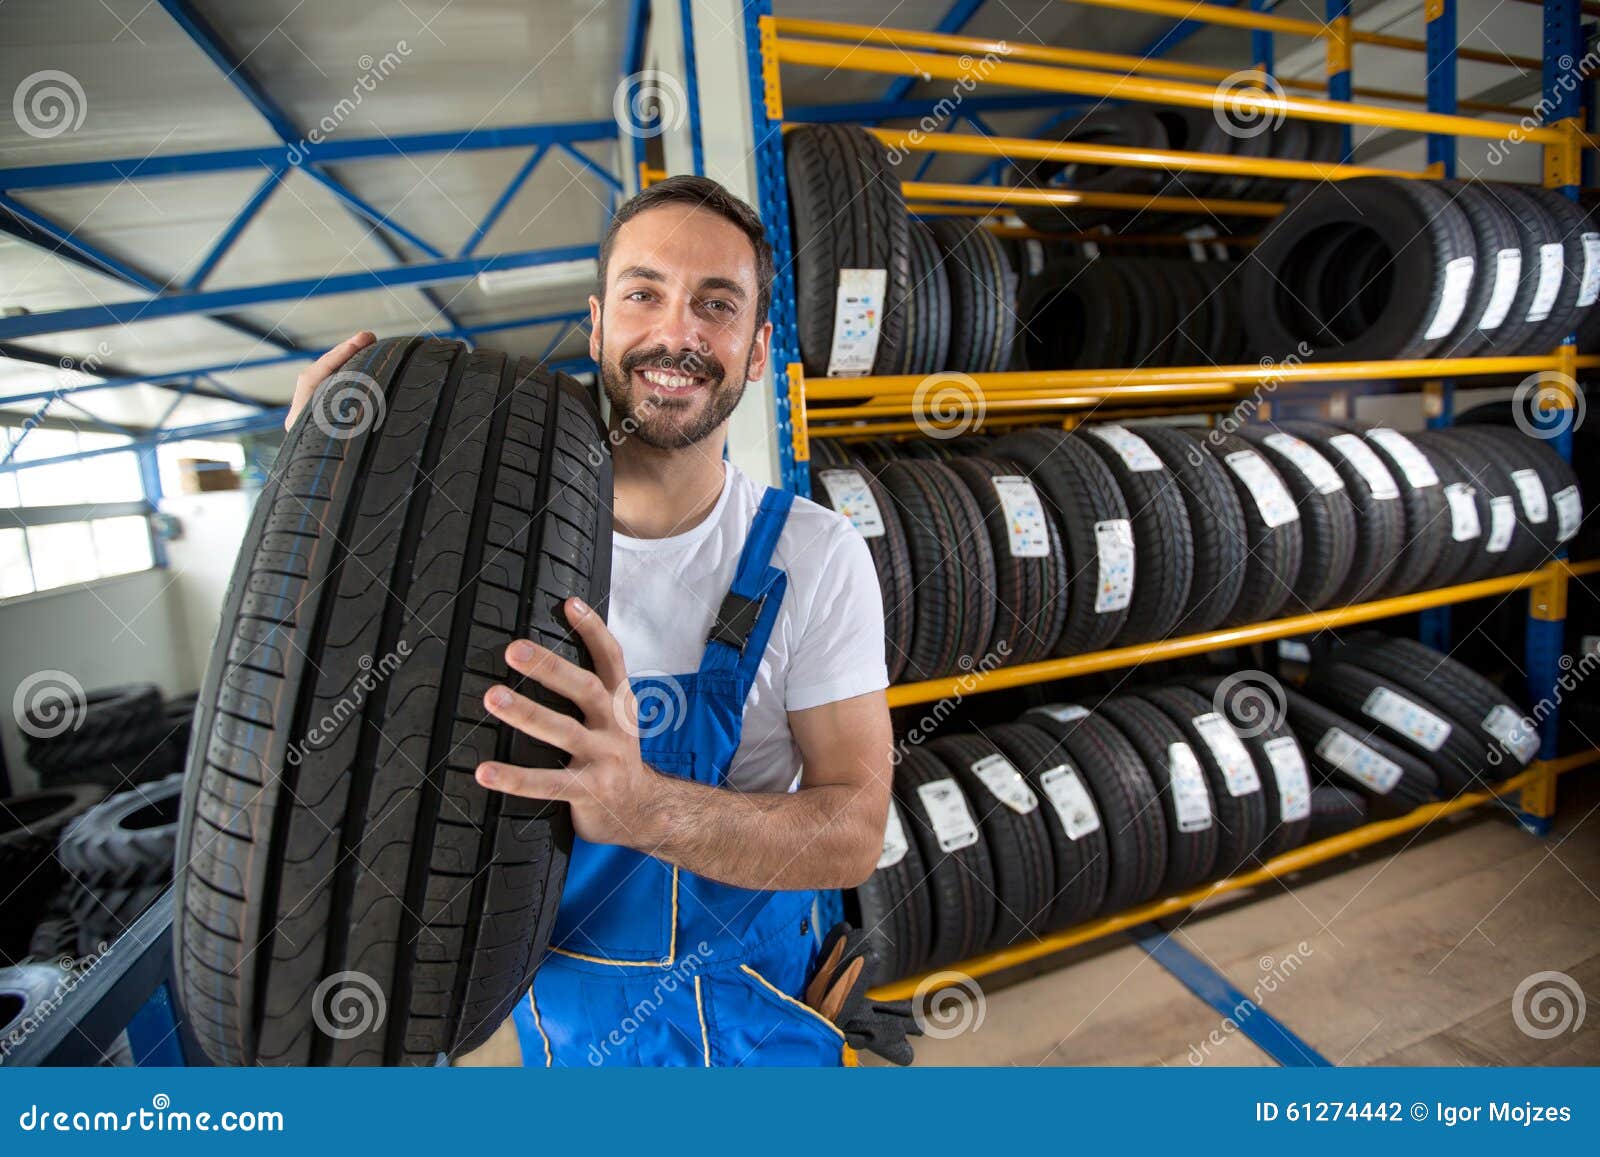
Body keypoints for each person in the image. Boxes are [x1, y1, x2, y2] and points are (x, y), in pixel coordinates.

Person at [285, 175, 893, 1067]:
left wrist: (646, 808)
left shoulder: (815, 555)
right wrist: (322, 492)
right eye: (644, 293)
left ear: (758, 349)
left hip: (762, 1035)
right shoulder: (483, 553)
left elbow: (854, 833)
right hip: (563, 1043)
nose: (677, 334)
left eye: (715, 305)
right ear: (599, 323)